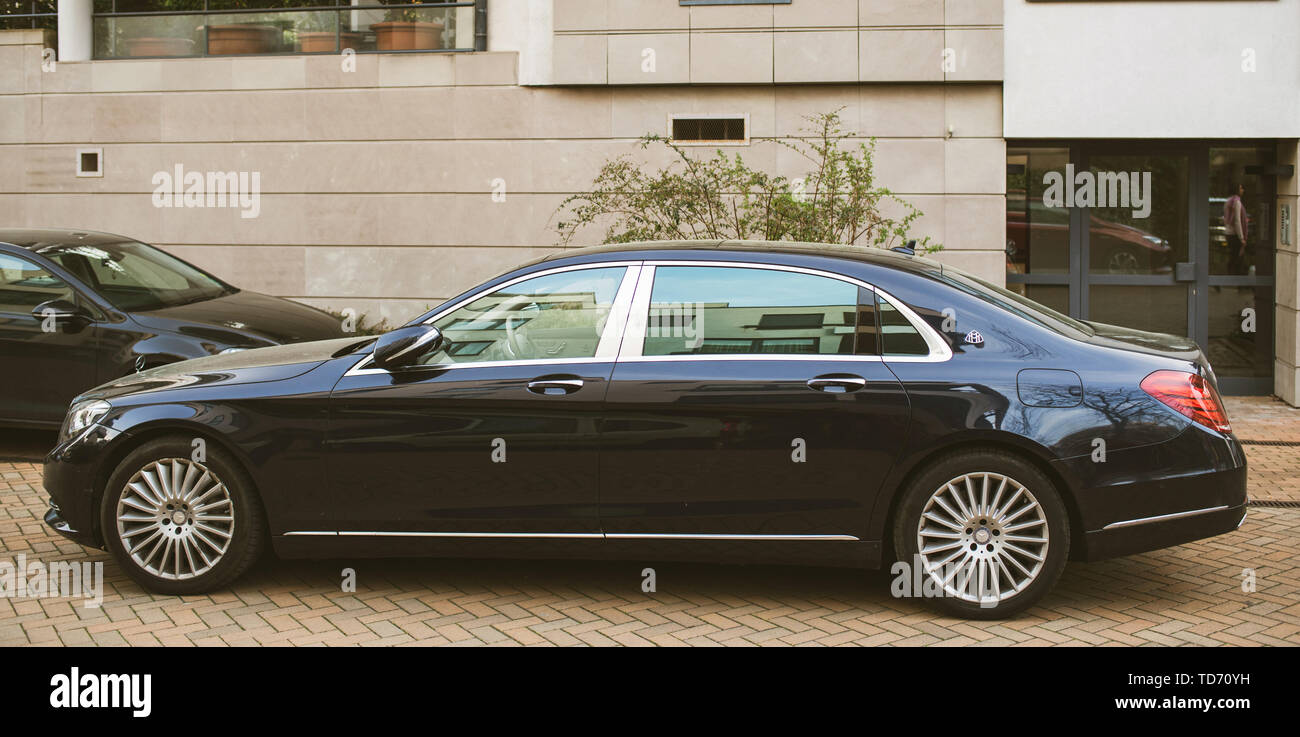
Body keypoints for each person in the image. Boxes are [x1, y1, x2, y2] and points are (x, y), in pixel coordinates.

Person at [1224, 183, 1249, 275]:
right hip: (1235, 234)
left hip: (1228, 232)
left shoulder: (1228, 201)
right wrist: (1241, 237)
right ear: (1237, 190)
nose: (1242, 190)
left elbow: (1226, 218)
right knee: (1237, 257)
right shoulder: (1237, 202)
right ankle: (1235, 280)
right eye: (1241, 188)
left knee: (1233, 256)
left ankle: (1230, 278)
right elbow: (1237, 221)